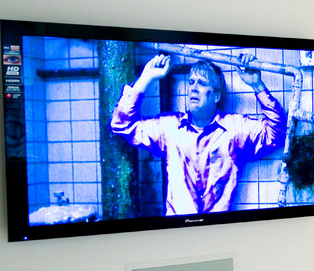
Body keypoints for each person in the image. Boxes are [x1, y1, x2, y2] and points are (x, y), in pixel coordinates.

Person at [110, 55, 287, 215]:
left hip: (218, 232)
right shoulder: (171, 127)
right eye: (191, 82)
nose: (193, 88)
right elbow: (122, 124)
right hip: (176, 232)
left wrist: (257, 85)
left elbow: (277, 134)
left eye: (201, 83)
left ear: (216, 95)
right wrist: (145, 78)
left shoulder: (234, 129)